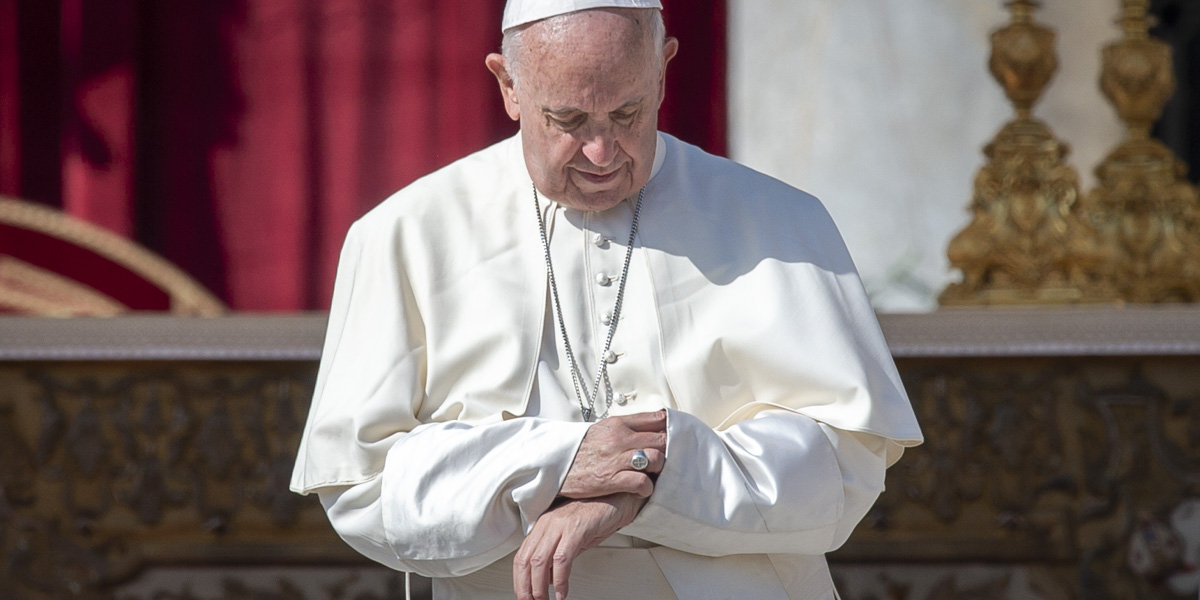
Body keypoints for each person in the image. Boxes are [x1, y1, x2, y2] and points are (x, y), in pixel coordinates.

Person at [290, 1, 924, 598]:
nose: (599, 152)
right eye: (567, 121)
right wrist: (560, 465)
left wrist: (643, 483)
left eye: (627, 115)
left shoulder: (782, 223)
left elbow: (846, 469)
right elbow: (360, 487)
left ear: (664, 72)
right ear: (508, 86)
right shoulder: (405, 234)